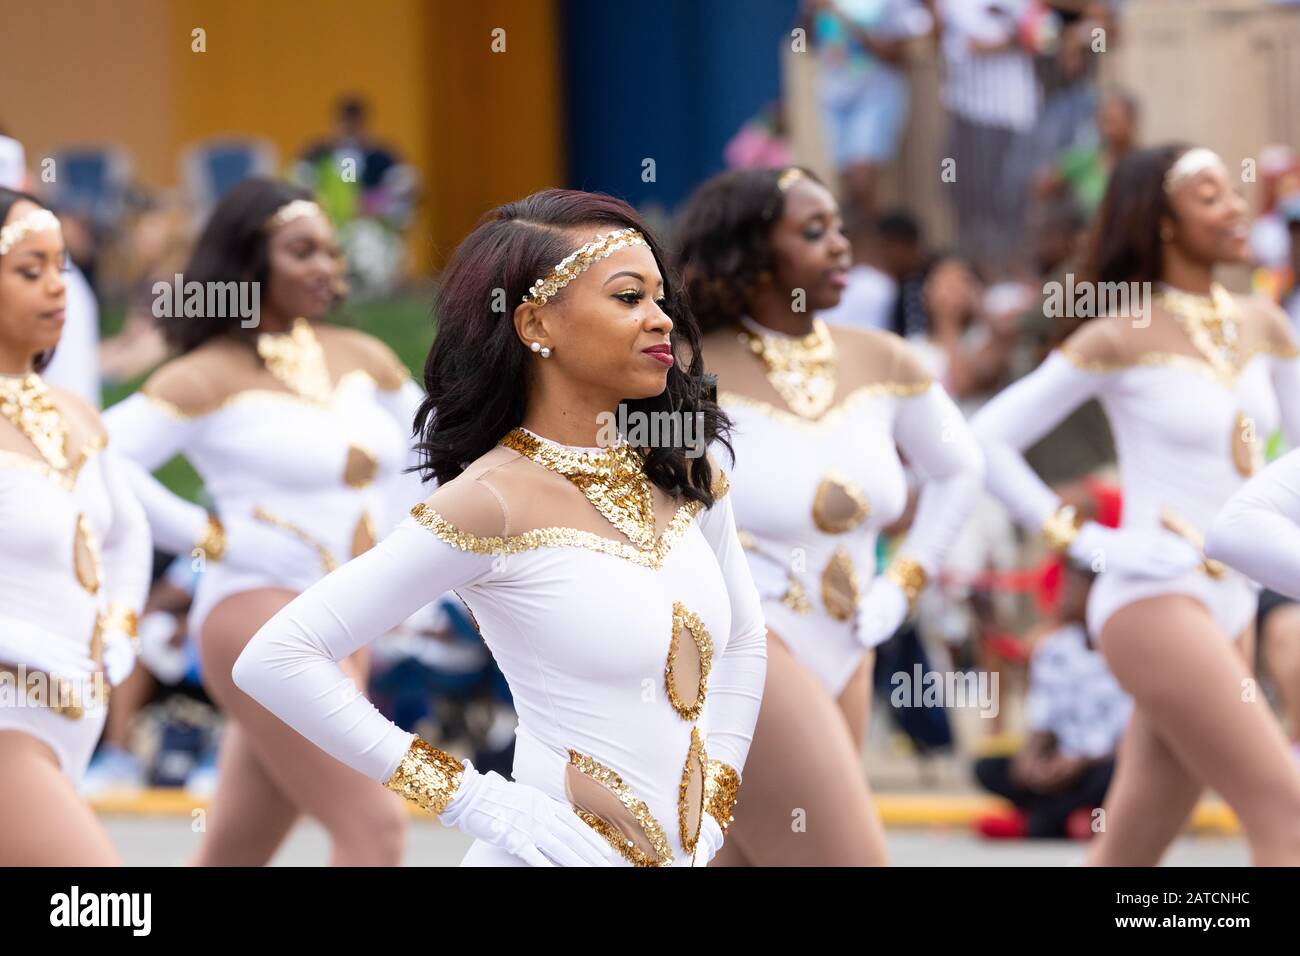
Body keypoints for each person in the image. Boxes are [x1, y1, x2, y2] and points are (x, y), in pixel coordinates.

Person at [232, 188, 768, 867]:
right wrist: (478, 801)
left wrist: (719, 789)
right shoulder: (492, 499)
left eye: (661, 299)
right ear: (536, 324)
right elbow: (277, 658)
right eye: (630, 298)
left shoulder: (684, 470)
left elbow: (747, 637)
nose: (661, 320)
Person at [972, 145, 1300, 865]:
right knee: (1288, 811)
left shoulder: (1265, 323)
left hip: (1237, 604)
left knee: (1130, 849)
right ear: (1164, 221)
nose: (1236, 206)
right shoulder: (1118, 332)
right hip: (1152, 597)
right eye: (1211, 195)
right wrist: (1087, 541)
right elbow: (985, 439)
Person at [103, 179, 427, 866]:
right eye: (300, 250)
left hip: (347, 615)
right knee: (376, 826)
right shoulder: (205, 374)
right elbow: (92, 458)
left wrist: (404, 566)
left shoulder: (360, 354)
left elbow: (437, 453)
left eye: (331, 252)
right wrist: (208, 535)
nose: (324, 267)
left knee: (237, 849)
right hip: (257, 613)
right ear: (249, 262)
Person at [675, 166, 983, 864]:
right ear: (751, 253)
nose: (841, 245)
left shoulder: (882, 359)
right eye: (814, 232)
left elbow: (963, 467)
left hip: (849, 647)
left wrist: (904, 582)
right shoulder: (681, 374)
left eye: (840, 227)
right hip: (741, 648)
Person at [0, 188, 150, 864]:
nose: (57, 289)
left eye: (64, 267)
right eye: (30, 271)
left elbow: (128, 536)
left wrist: (119, 623)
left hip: (69, 728)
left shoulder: (77, 414)